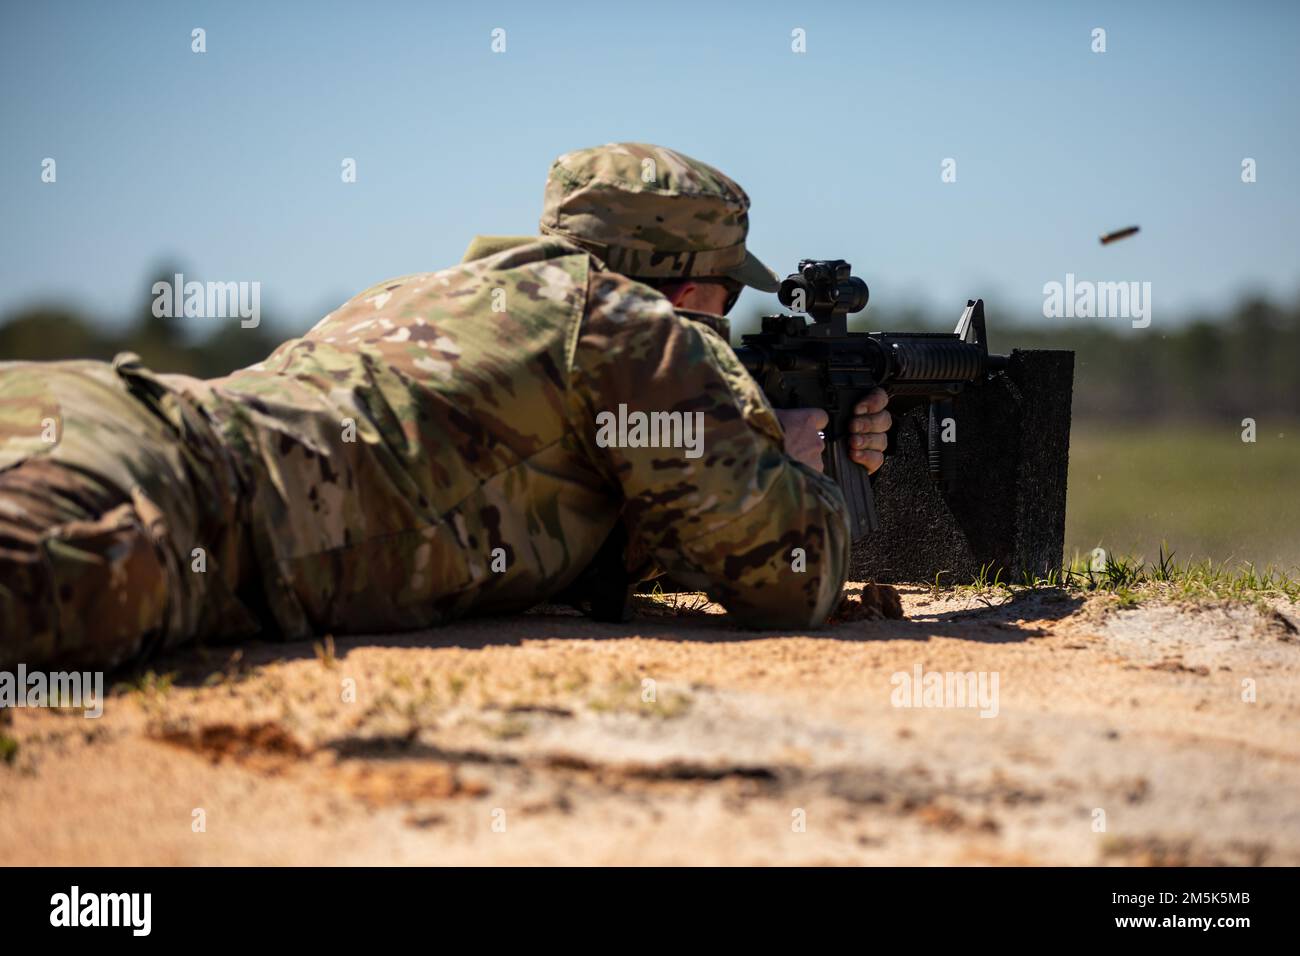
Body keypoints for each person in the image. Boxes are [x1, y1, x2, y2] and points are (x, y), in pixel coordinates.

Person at [0, 143, 891, 670]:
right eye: (726, 299)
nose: (723, 326)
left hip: (73, 401)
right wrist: (792, 469)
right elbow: (791, 579)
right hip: (159, 501)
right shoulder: (627, 326)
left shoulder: (415, 296)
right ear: (679, 287)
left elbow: (520, 519)